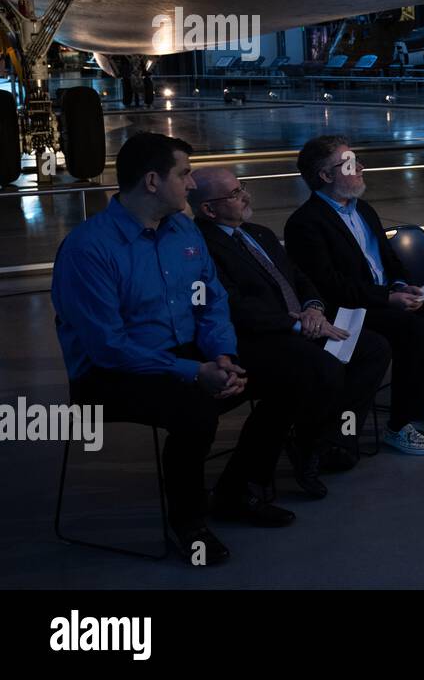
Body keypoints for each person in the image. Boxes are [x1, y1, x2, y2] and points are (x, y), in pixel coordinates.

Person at [51, 133, 304, 566]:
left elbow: (208, 298)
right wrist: (193, 371)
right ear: (152, 181)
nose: (191, 184)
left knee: (290, 374)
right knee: (195, 410)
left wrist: (223, 353)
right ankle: (188, 523)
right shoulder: (89, 249)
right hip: (110, 373)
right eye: (184, 174)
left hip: (184, 352)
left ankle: (235, 489)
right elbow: (107, 346)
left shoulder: (182, 231)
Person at [190, 167, 390, 498]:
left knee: (372, 348)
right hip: (260, 335)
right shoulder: (203, 247)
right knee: (322, 368)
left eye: (243, 188)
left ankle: (325, 441)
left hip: (303, 323)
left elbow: (299, 277)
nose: (246, 197)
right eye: (235, 194)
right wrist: (295, 323)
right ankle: (309, 446)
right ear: (209, 210)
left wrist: (313, 309)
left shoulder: (260, 233)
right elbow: (233, 306)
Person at [284, 136, 424, 457]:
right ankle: (399, 425)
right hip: (352, 309)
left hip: (385, 297)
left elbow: (388, 258)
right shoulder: (305, 224)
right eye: (350, 164)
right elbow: (330, 285)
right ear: (326, 176)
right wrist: (387, 298)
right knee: (414, 330)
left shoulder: (363, 209)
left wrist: (400, 284)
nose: (361, 168)